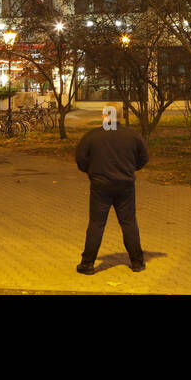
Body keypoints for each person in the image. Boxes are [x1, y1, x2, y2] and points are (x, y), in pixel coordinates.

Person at [75, 108, 149, 274]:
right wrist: (130, 169)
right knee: (128, 223)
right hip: (125, 186)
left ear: (104, 116)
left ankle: (87, 264)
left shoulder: (92, 136)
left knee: (96, 224)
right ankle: (137, 262)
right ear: (120, 116)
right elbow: (144, 158)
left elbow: (80, 158)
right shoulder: (133, 136)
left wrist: (91, 171)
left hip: (100, 186)